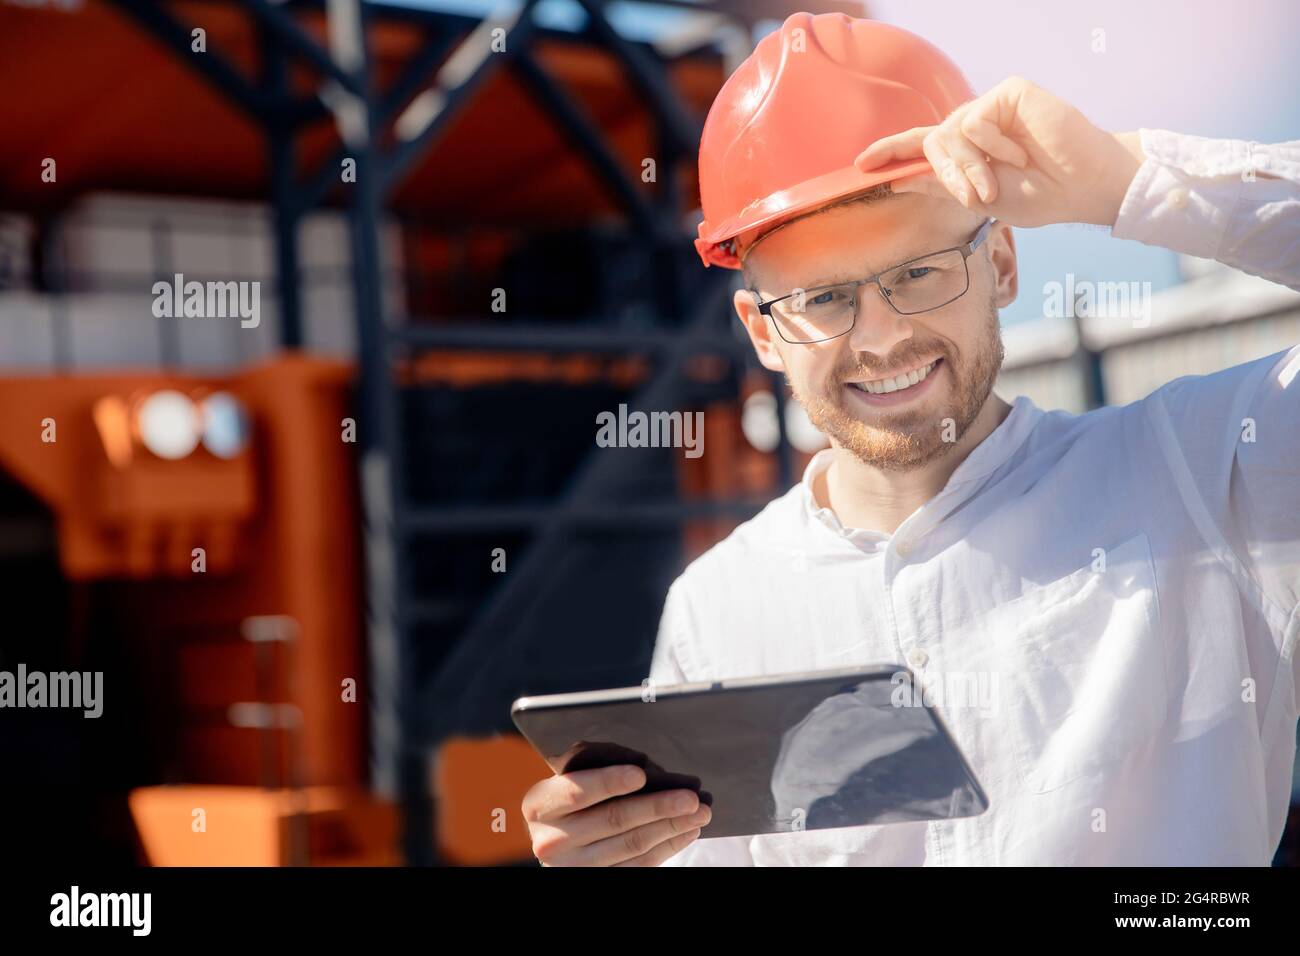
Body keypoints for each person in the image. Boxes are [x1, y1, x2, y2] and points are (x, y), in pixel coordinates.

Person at [521, 11, 1300, 866]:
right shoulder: (718, 609)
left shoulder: (1208, 475)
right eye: (822, 299)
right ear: (763, 332)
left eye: (919, 272)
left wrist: (1126, 181)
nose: (883, 337)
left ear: (1002, 263)